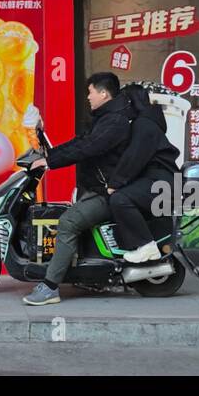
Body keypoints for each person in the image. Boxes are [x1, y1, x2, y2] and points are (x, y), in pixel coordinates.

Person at [22, 72, 131, 306]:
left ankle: (50, 287)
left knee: (68, 222)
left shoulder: (114, 121)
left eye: (90, 92)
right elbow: (79, 143)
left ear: (103, 93)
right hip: (96, 188)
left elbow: (88, 148)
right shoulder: (105, 118)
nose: (88, 97)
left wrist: (50, 162)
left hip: (106, 193)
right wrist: (49, 157)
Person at [107, 84, 181, 262]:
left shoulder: (143, 124)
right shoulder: (147, 122)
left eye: (122, 102)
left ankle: (147, 247)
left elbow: (134, 158)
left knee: (120, 199)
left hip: (161, 182)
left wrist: (114, 184)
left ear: (131, 103)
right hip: (159, 180)